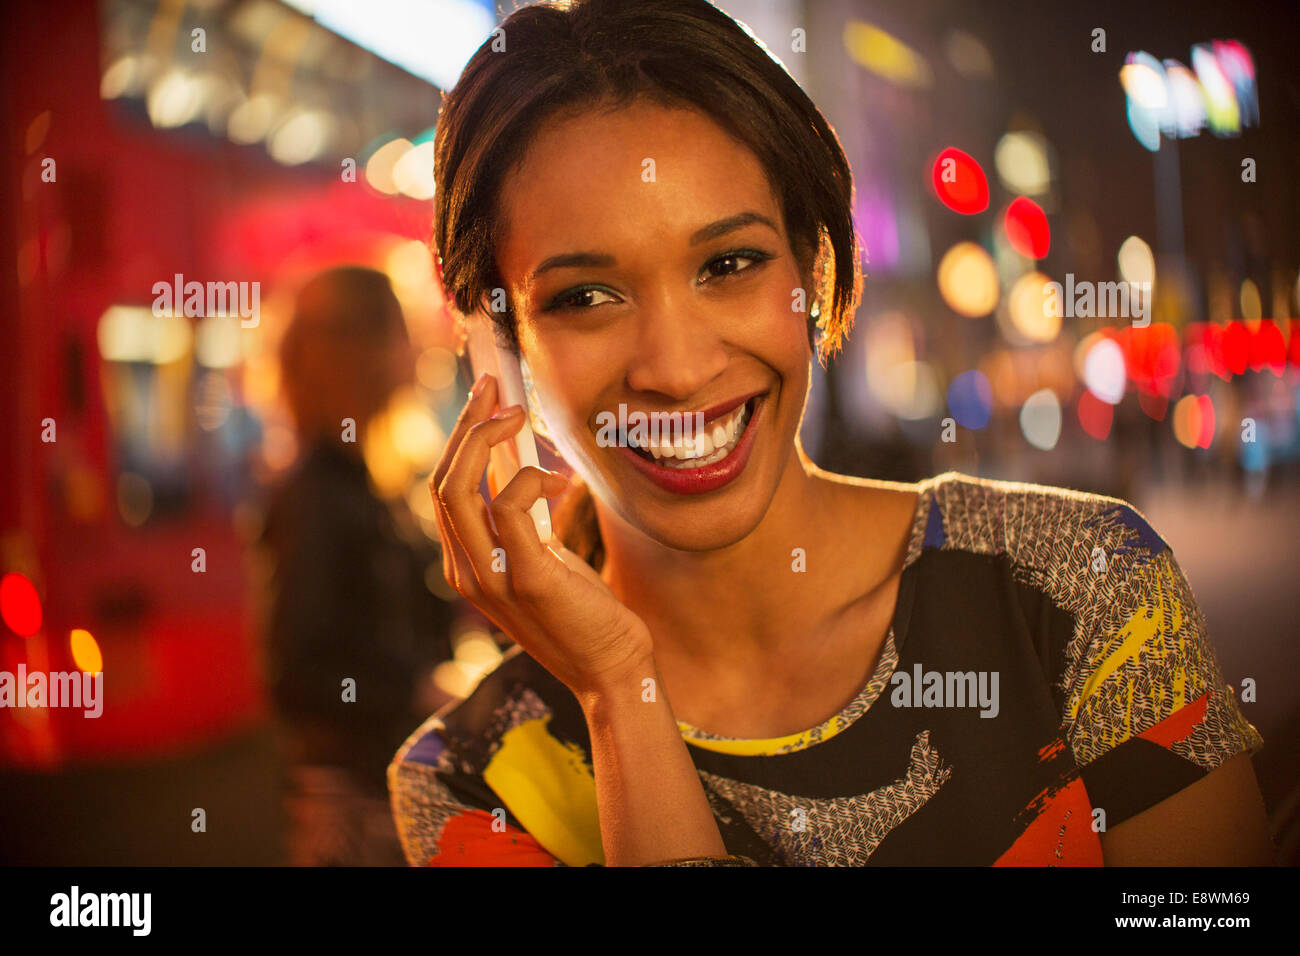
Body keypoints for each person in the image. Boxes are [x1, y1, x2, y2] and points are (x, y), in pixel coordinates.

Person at [388, 0, 1272, 866]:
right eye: (585, 297)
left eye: (729, 265)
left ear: (814, 267)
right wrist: (620, 689)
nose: (680, 368)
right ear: (494, 337)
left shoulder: (1078, 583)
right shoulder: (472, 783)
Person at [261, 266, 455, 865]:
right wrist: (415, 688)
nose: (420, 348)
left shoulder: (368, 480)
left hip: (382, 782)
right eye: (403, 331)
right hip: (353, 800)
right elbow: (299, 669)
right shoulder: (320, 493)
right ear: (360, 353)